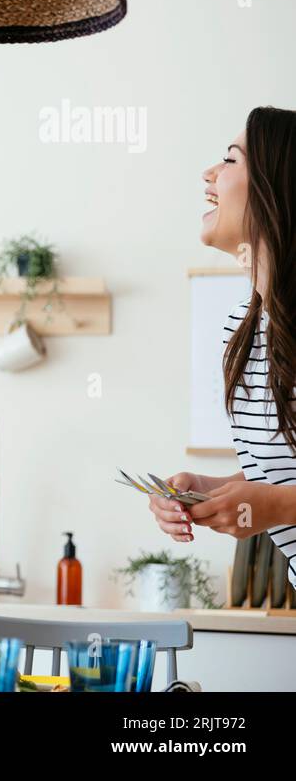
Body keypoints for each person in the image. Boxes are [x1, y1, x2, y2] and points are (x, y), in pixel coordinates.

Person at [149, 106, 296, 592]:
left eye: (230, 160)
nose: (209, 174)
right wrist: (209, 490)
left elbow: (281, 496)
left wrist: (273, 507)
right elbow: (283, 471)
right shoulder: (247, 328)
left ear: (278, 186)